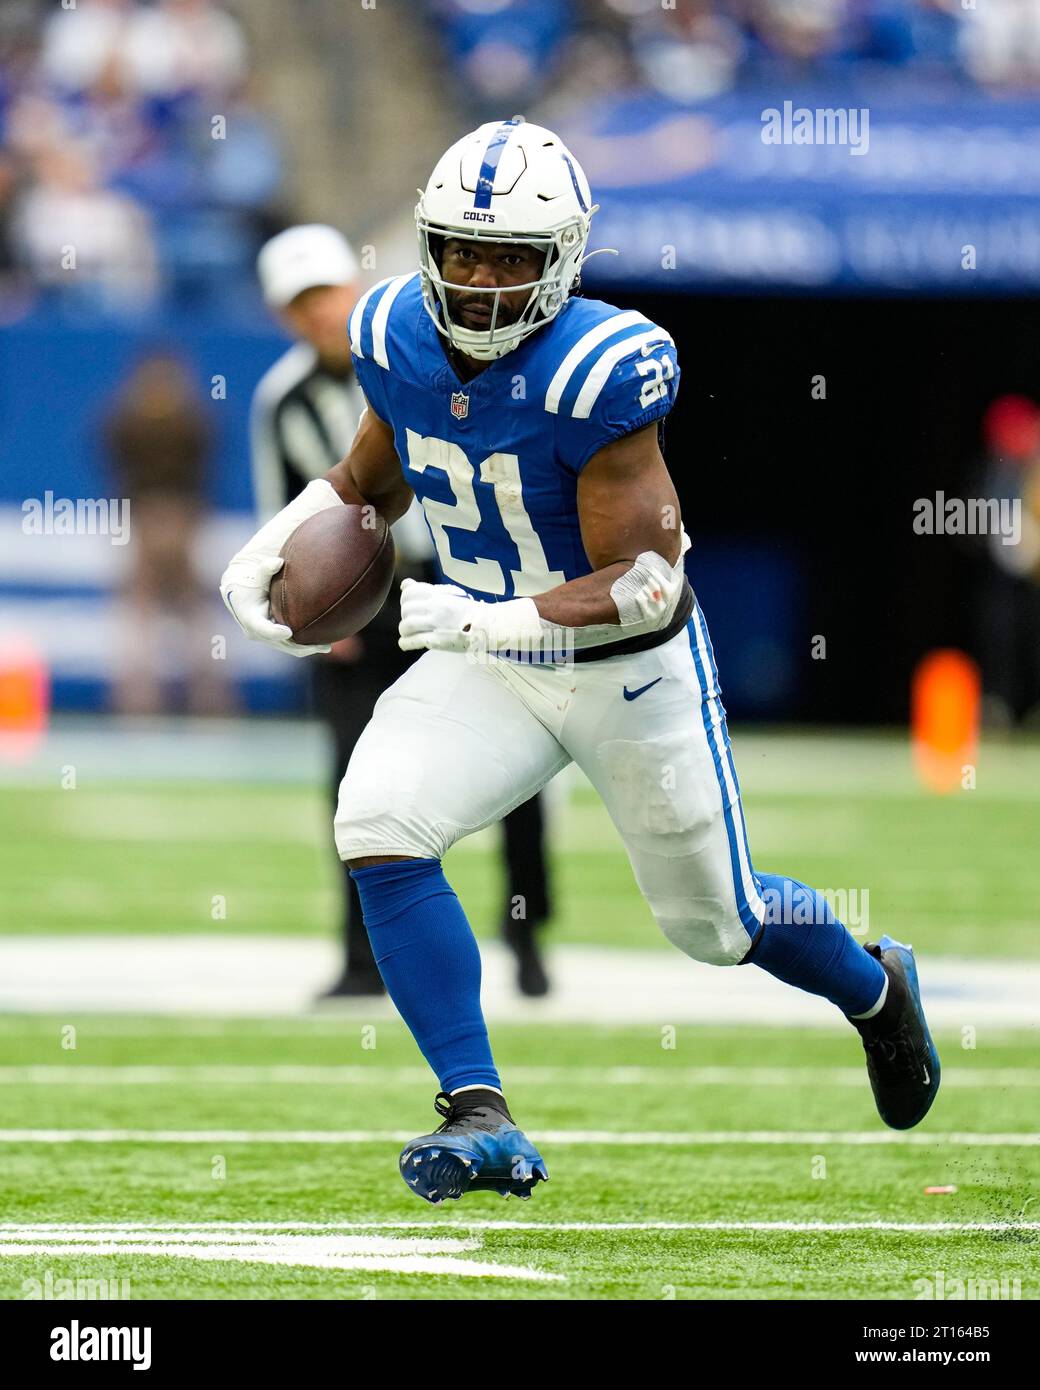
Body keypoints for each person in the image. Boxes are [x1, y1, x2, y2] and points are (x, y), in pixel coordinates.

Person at [222, 118, 940, 1204]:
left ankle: (875, 991)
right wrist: (285, 535)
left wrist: (484, 619)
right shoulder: (392, 333)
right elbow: (374, 470)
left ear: (560, 259)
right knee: (375, 818)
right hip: (489, 655)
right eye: (461, 248)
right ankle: (478, 1110)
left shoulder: (602, 368)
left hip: (626, 667)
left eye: (509, 255)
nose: (478, 276)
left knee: (717, 922)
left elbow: (644, 581)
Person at [251, 222, 554, 998]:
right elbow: (287, 505)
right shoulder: (281, 399)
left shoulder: (412, 360)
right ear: (284, 315)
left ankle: (525, 935)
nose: (320, 313)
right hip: (361, 601)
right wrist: (312, 618)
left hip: (458, 579)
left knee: (516, 766)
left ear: (351, 288)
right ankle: (363, 958)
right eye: (302, 303)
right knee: (353, 781)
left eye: (326, 293)